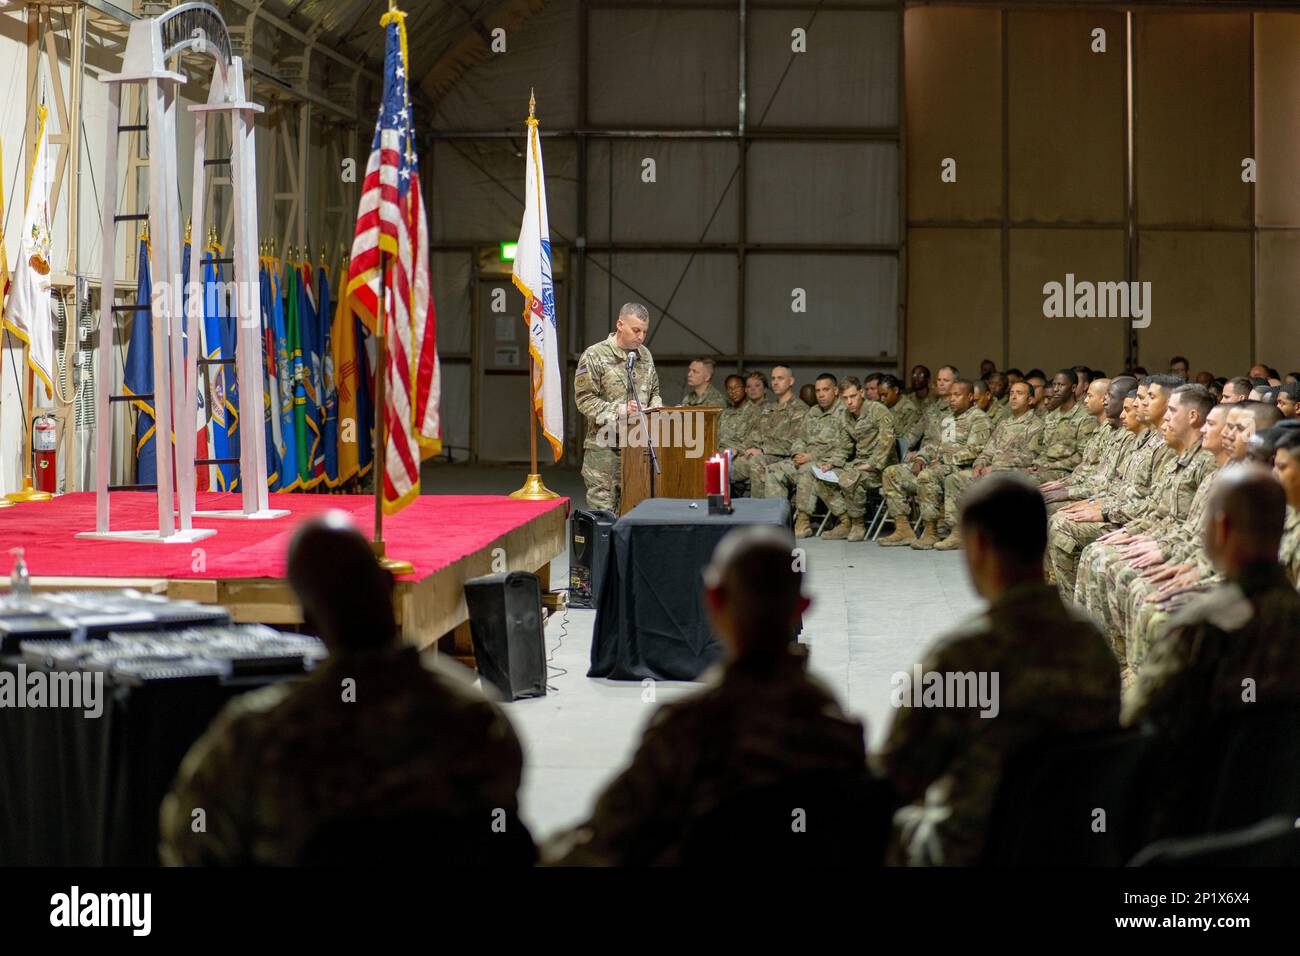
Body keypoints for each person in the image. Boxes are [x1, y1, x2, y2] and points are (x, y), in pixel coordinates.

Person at [159, 513, 527, 866]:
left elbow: (190, 843)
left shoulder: (259, 738)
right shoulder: (476, 720)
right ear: (387, 584)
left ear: (308, 618)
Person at [544, 526, 868, 866]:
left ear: (713, 599)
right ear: (802, 606)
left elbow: (608, 838)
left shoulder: (687, 729)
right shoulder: (836, 732)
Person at [875, 474, 1120, 866]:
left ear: (978, 547)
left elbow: (896, 776)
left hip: (976, 848)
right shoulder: (1092, 644)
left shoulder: (964, 655)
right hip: (1071, 845)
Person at [1123, 466, 1300, 740]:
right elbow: (1252, 695)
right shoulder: (1290, 612)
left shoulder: (1200, 628)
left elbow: (1136, 723)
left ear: (1222, 527)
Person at [1073, 384, 1217, 663]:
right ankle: (1105, 651)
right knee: (1098, 554)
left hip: (1190, 557)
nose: (1165, 417)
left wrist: (1163, 550)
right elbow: (1157, 510)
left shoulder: (1208, 465)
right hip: (1163, 538)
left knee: (1128, 577)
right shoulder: (1180, 456)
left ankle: (1134, 668)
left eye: (1171, 410)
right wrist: (1132, 532)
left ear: (1192, 416)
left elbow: (1193, 530)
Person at [880, 379, 990, 550]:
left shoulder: (979, 419)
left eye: (957, 395)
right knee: (891, 472)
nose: (952, 399)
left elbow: (976, 450)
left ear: (970, 397)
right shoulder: (948, 419)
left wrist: (942, 461)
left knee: (927, 475)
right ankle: (903, 529)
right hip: (939, 464)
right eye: (950, 395)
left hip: (960, 467)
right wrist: (920, 459)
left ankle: (931, 532)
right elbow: (935, 446)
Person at [574, 302, 663, 511]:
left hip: (638, 450)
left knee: (634, 515)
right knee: (604, 518)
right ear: (620, 324)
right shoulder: (595, 355)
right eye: (636, 330)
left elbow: (655, 392)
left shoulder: (645, 355)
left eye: (644, 331)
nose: (641, 337)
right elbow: (584, 399)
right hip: (604, 451)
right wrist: (619, 410)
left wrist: (656, 408)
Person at [762, 373, 854, 537]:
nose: (821, 394)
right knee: (773, 471)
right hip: (805, 460)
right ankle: (777, 521)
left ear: (836, 391)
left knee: (807, 469)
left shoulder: (845, 412)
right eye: (818, 390)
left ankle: (803, 521)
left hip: (830, 464)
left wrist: (811, 456)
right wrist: (797, 453)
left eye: (825, 389)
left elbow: (844, 446)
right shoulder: (813, 412)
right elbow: (800, 438)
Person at [827, 376, 897, 541]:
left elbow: (887, 441)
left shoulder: (877, 410)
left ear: (861, 393)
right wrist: (832, 463)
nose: (849, 402)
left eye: (853, 396)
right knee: (824, 477)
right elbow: (844, 447)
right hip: (858, 464)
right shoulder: (845, 416)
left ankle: (858, 524)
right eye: (845, 398)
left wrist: (872, 464)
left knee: (852, 477)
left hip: (881, 468)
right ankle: (845, 522)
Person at [1025, 369, 1100, 484]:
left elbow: (1083, 456)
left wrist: (1050, 466)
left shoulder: (1085, 417)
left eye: (1061, 385)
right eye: (1054, 385)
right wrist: (1037, 465)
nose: (1055, 389)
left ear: (1073, 388)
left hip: (1067, 472)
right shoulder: (1051, 416)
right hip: (1046, 469)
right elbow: (1045, 449)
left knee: (1026, 483)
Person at [740, 365, 806, 493]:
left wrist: (763, 451)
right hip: (763, 455)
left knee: (756, 462)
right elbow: (755, 434)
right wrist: (749, 449)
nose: (775, 382)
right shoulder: (768, 408)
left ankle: (759, 509)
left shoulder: (799, 409)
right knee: (724, 466)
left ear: (791, 381)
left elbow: (794, 443)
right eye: (773, 378)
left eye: (780, 378)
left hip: (784, 458)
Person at [881, 373, 920, 442]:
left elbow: (906, 441)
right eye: (880, 395)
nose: (882, 399)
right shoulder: (884, 406)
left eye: (885, 395)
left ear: (895, 390)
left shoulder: (909, 410)